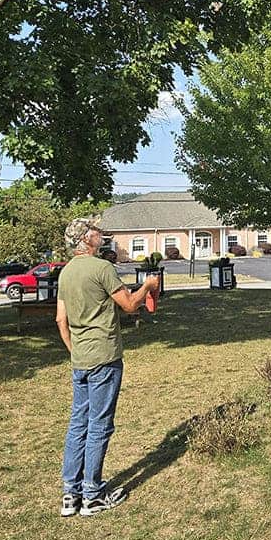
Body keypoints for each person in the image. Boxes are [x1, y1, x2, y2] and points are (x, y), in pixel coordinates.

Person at [56, 216, 159, 517]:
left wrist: (76, 351)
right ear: (85, 239)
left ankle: (70, 494)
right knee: (100, 425)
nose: (99, 233)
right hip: (104, 358)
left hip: (81, 361)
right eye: (94, 230)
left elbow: (61, 320)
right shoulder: (102, 268)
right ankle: (92, 495)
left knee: (78, 424)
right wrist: (148, 285)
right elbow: (129, 305)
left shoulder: (66, 273)